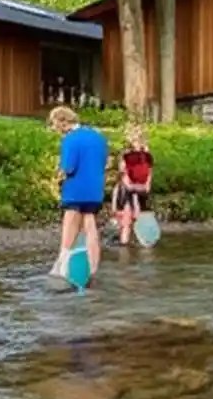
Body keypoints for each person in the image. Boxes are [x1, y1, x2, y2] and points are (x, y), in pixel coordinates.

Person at [48, 105, 109, 279]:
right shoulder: (98, 137)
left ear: (63, 122)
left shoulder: (70, 139)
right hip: (95, 189)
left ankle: (62, 264)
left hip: (76, 188)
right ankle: (93, 267)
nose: (55, 129)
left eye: (55, 125)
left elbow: (68, 167)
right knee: (90, 225)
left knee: (70, 223)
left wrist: (58, 176)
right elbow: (103, 162)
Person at [115, 125, 154, 246]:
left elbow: (149, 171)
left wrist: (147, 185)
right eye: (137, 139)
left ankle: (133, 241)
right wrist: (130, 186)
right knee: (127, 217)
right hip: (128, 188)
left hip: (140, 188)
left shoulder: (146, 155)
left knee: (138, 215)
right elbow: (124, 172)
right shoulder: (126, 154)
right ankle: (124, 241)